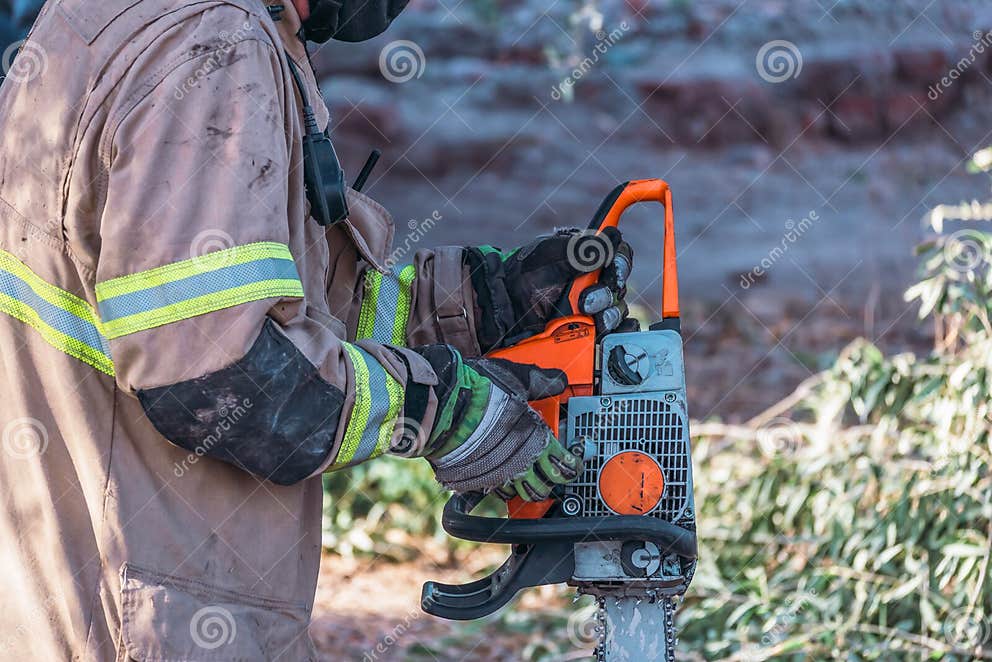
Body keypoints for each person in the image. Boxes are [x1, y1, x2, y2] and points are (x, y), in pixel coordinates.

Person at [0, 0, 632, 658]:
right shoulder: (211, 43)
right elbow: (223, 376)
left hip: (69, 585)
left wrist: (484, 301)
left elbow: (263, 299)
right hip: (138, 614)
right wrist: (437, 409)